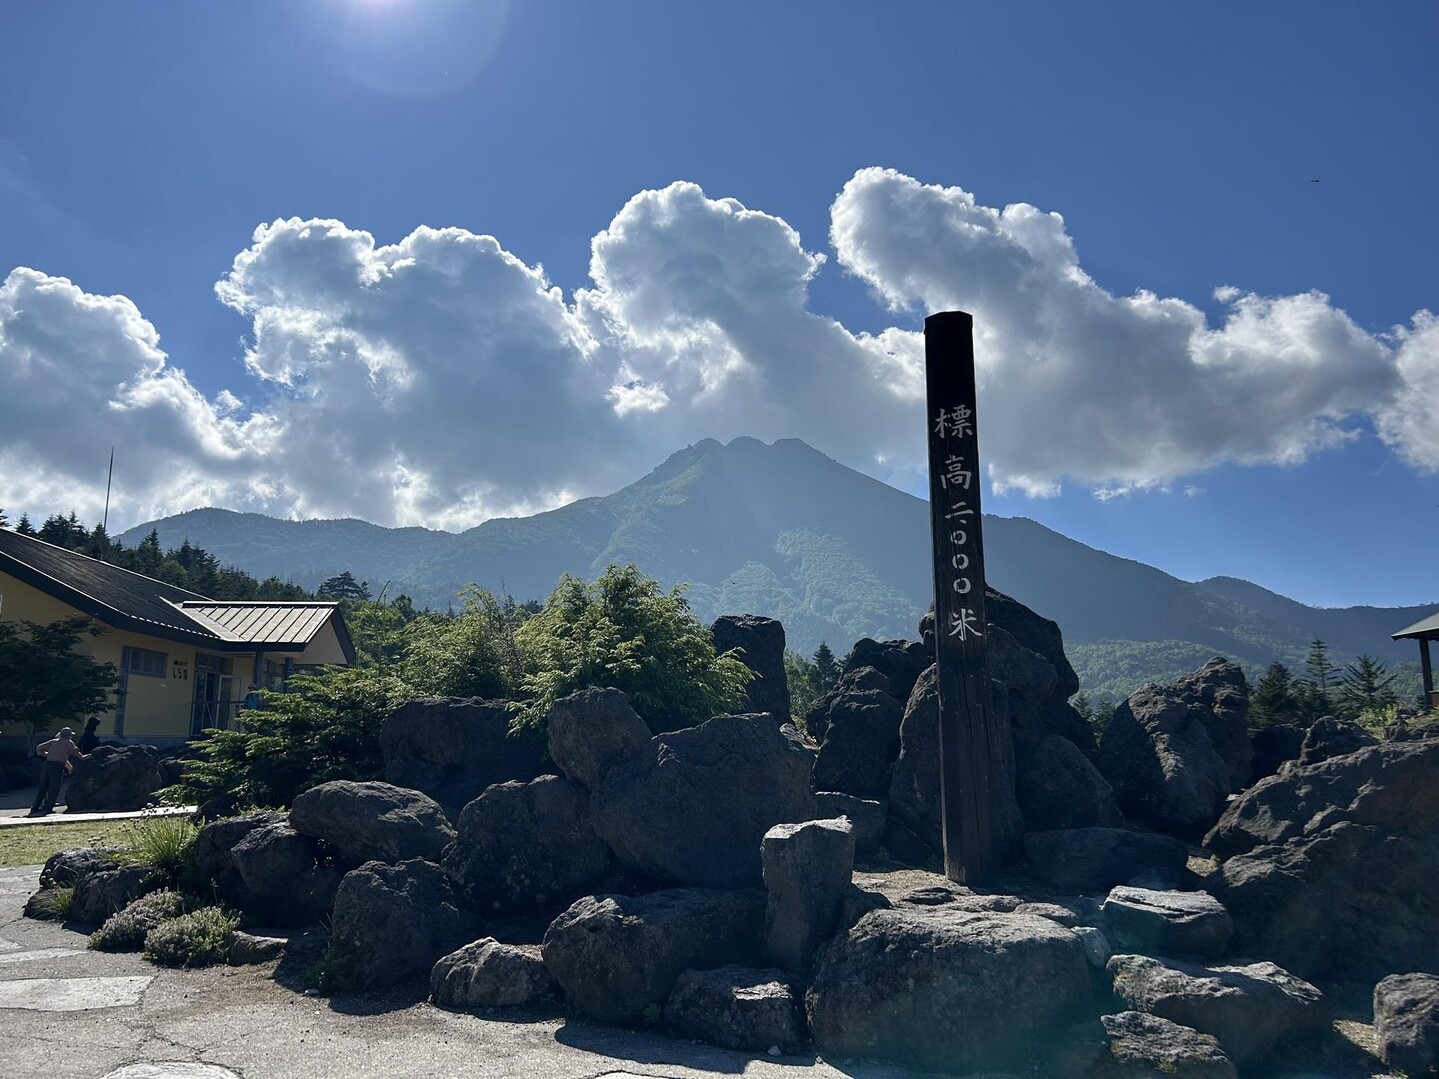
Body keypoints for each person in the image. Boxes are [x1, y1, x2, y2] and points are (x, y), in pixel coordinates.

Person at [30, 727, 89, 817]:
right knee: (54, 788)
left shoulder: (53, 741)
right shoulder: (69, 743)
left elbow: (39, 747)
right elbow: (76, 752)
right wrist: (83, 757)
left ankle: (35, 808)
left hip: (47, 765)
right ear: (69, 736)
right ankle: (47, 809)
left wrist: (43, 754)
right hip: (57, 767)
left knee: (43, 788)